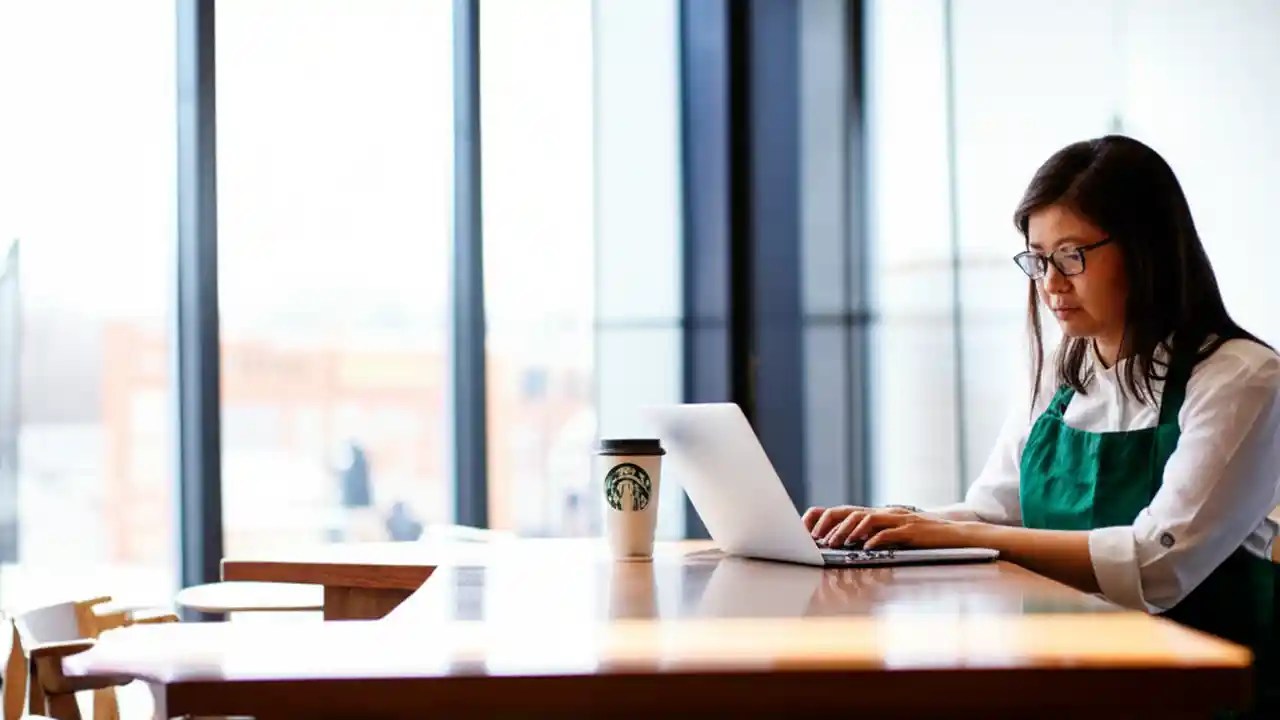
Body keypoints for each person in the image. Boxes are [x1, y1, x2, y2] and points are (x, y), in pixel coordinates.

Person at [803, 135, 1280, 711]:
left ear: (1146, 248)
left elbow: (1157, 566)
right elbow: (992, 512)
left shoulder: (1240, 377)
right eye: (1038, 258)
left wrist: (952, 535)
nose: (1051, 283)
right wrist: (893, 526)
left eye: (1073, 255)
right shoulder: (1064, 369)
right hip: (1066, 674)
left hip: (1199, 693)